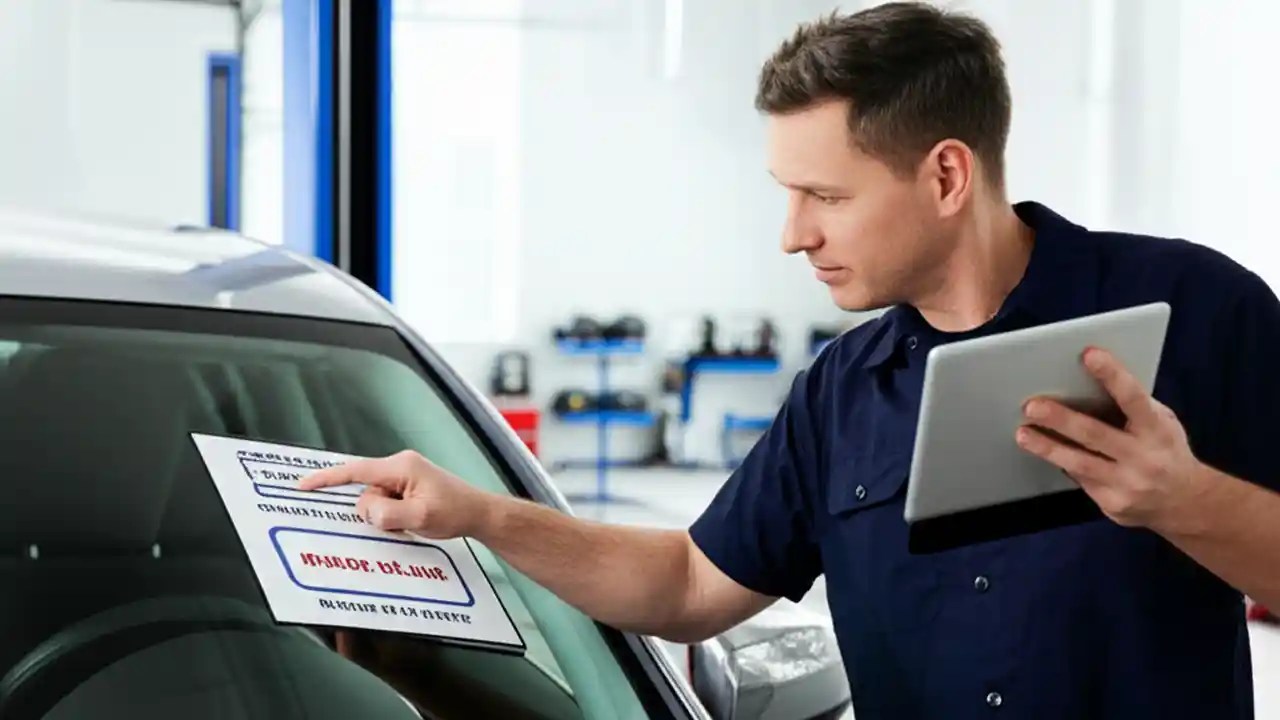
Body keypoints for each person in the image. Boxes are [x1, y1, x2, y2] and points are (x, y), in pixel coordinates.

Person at [303, 3, 1280, 718]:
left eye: (825, 195)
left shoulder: (1198, 314)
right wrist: (473, 515)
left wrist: (1177, 497)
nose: (792, 235)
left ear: (944, 174)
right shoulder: (840, 392)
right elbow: (688, 586)